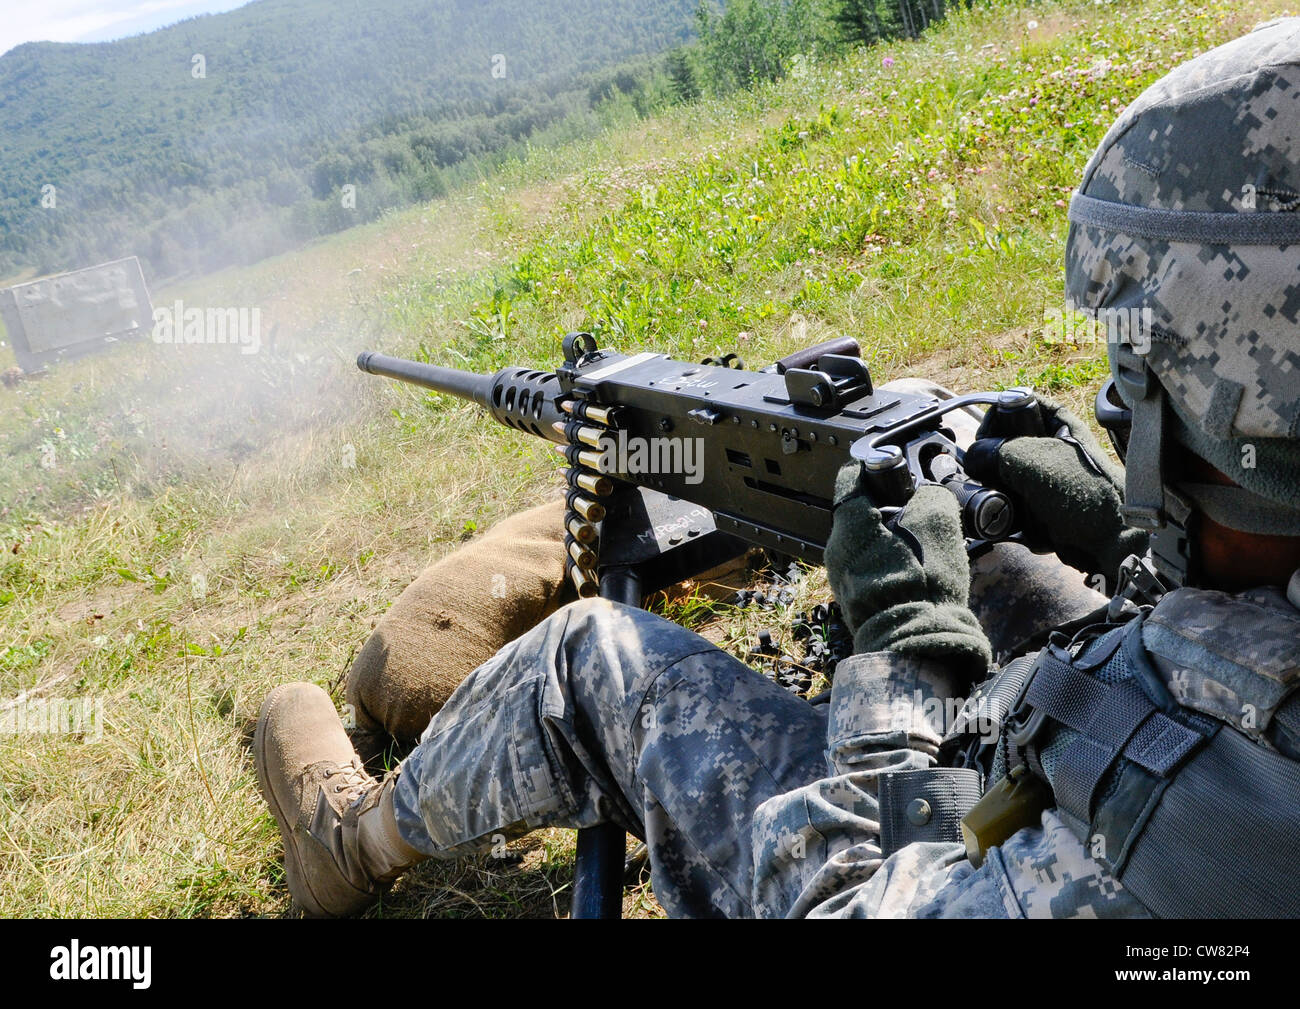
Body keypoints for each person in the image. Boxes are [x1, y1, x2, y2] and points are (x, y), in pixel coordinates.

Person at [253, 20, 1300, 918]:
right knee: (999, 573)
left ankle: (348, 846)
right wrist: (1129, 544)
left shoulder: (1198, 822)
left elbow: (864, 896)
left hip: (959, 850)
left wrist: (902, 656)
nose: (1118, 406)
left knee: (588, 662)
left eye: (1140, 375)